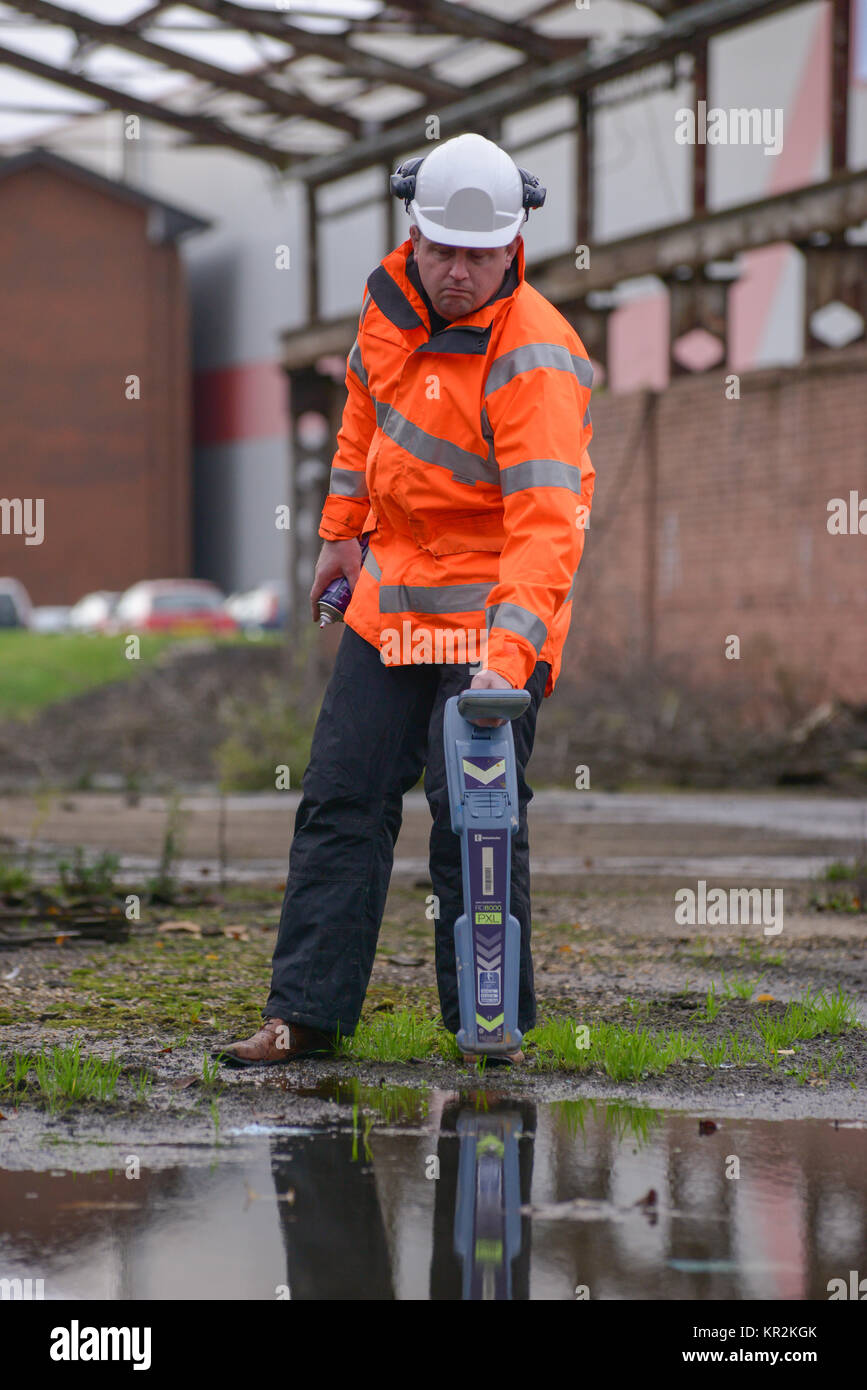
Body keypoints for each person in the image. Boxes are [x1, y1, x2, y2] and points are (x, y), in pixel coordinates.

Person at [217, 132, 595, 1067]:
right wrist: (338, 536)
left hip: (487, 629)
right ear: (413, 233)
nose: (458, 272)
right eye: (441, 250)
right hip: (389, 611)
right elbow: (359, 420)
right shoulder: (387, 310)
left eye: (479, 255)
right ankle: (302, 1019)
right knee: (339, 802)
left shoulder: (536, 355)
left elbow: (547, 527)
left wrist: (504, 667)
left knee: (475, 823)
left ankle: (486, 1029)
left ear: (512, 246)